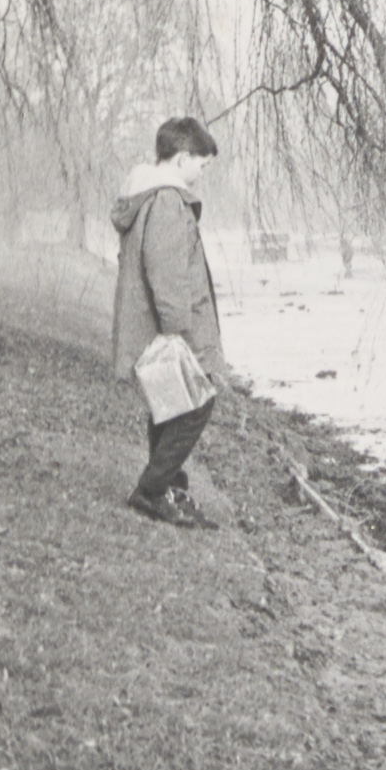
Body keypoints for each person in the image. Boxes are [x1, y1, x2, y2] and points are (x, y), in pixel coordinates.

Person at [110, 116, 245, 527]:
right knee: (197, 403)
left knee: (169, 409)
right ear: (183, 157)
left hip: (150, 328)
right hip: (167, 330)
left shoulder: (147, 195)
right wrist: (178, 336)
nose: (202, 174)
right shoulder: (167, 200)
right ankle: (151, 491)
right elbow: (166, 274)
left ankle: (174, 490)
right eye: (202, 165)